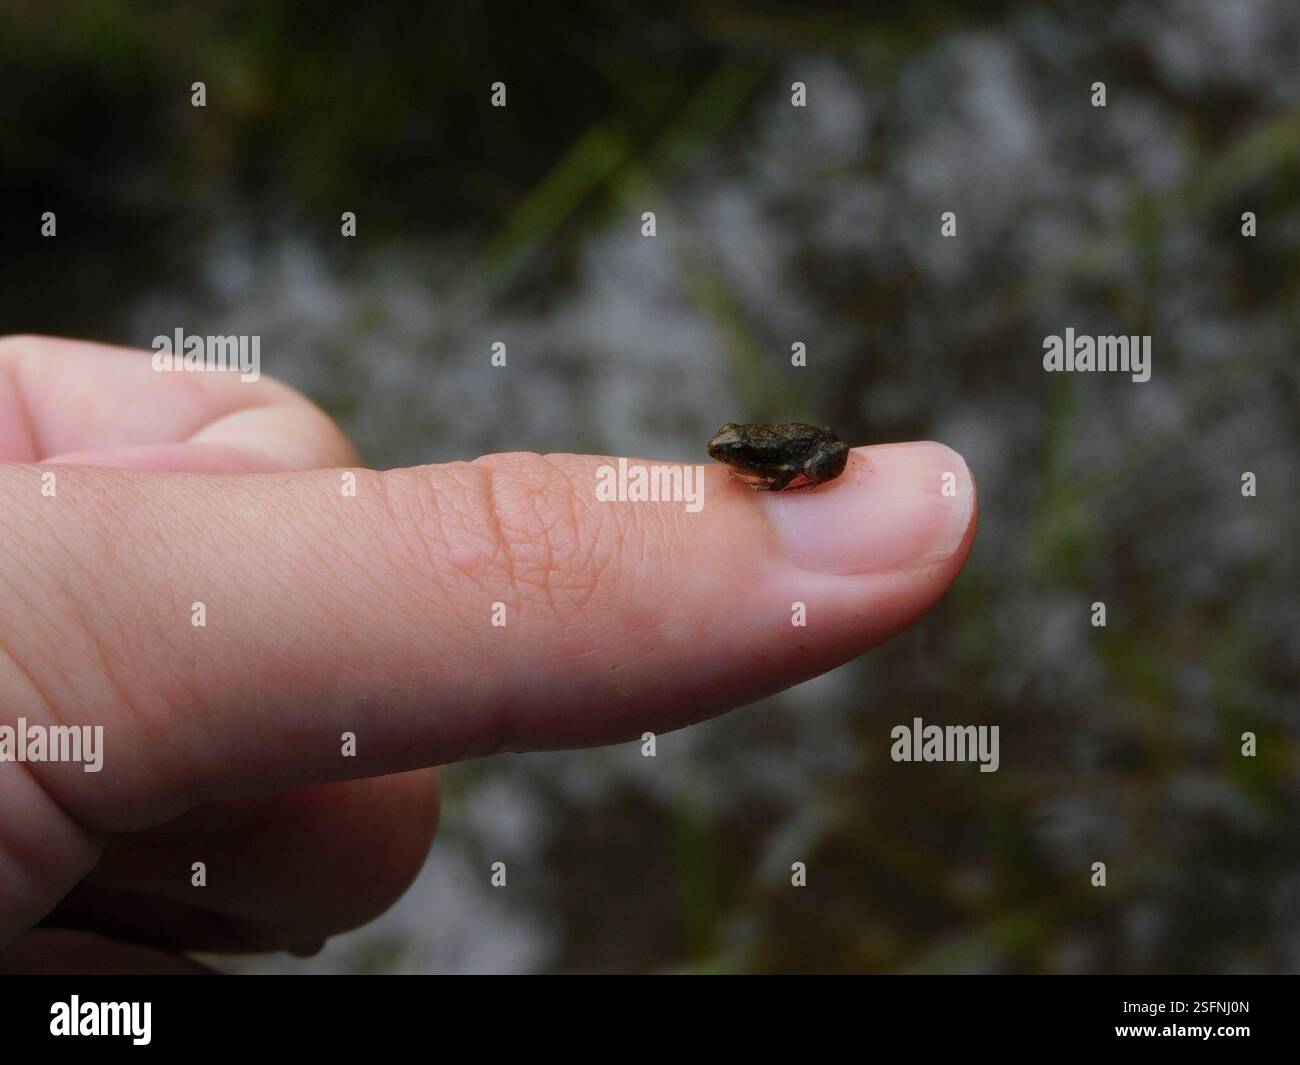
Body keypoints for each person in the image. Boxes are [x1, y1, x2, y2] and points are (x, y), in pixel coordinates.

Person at [0, 335, 977, 973]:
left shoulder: (775, 459)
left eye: (732, 456)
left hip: (814, 453)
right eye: (723, 455)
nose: (724, 460)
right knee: (345, 845)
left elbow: (798, 458)